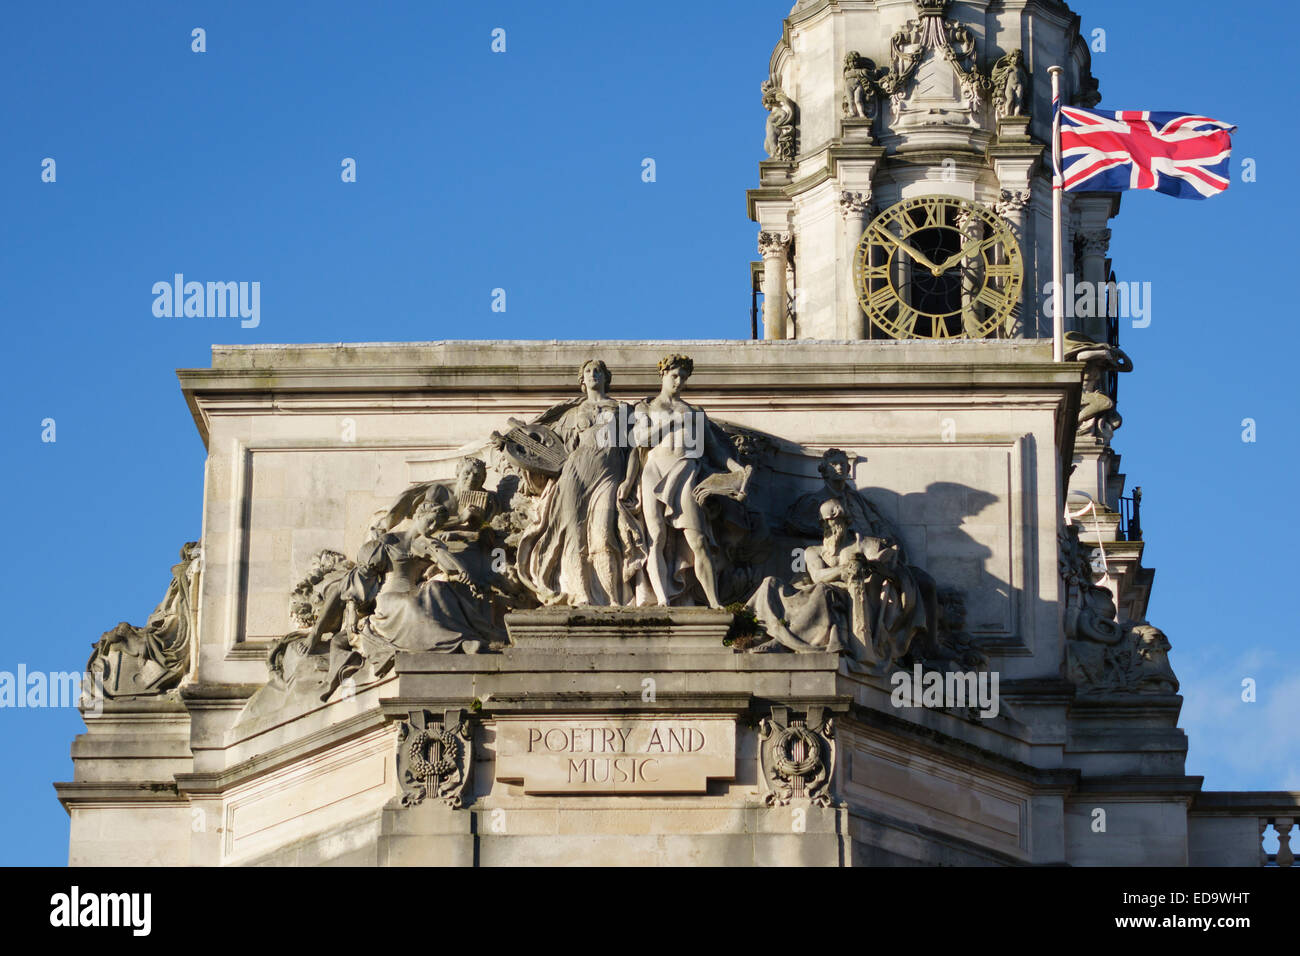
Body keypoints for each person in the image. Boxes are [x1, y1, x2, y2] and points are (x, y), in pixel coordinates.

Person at [619, 354, 748, 608]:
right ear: (663, 375)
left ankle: (714, 601)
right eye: (674, 376)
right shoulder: (646, 408)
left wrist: (736, 469)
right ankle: (663, 599)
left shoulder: (696, 412)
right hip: (654, 470)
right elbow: (640, 440)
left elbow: (715, 450)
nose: (679, 381)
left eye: (684, 377)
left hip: (685, 471)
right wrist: (673, 423)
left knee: (698, 540)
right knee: (655, 537)